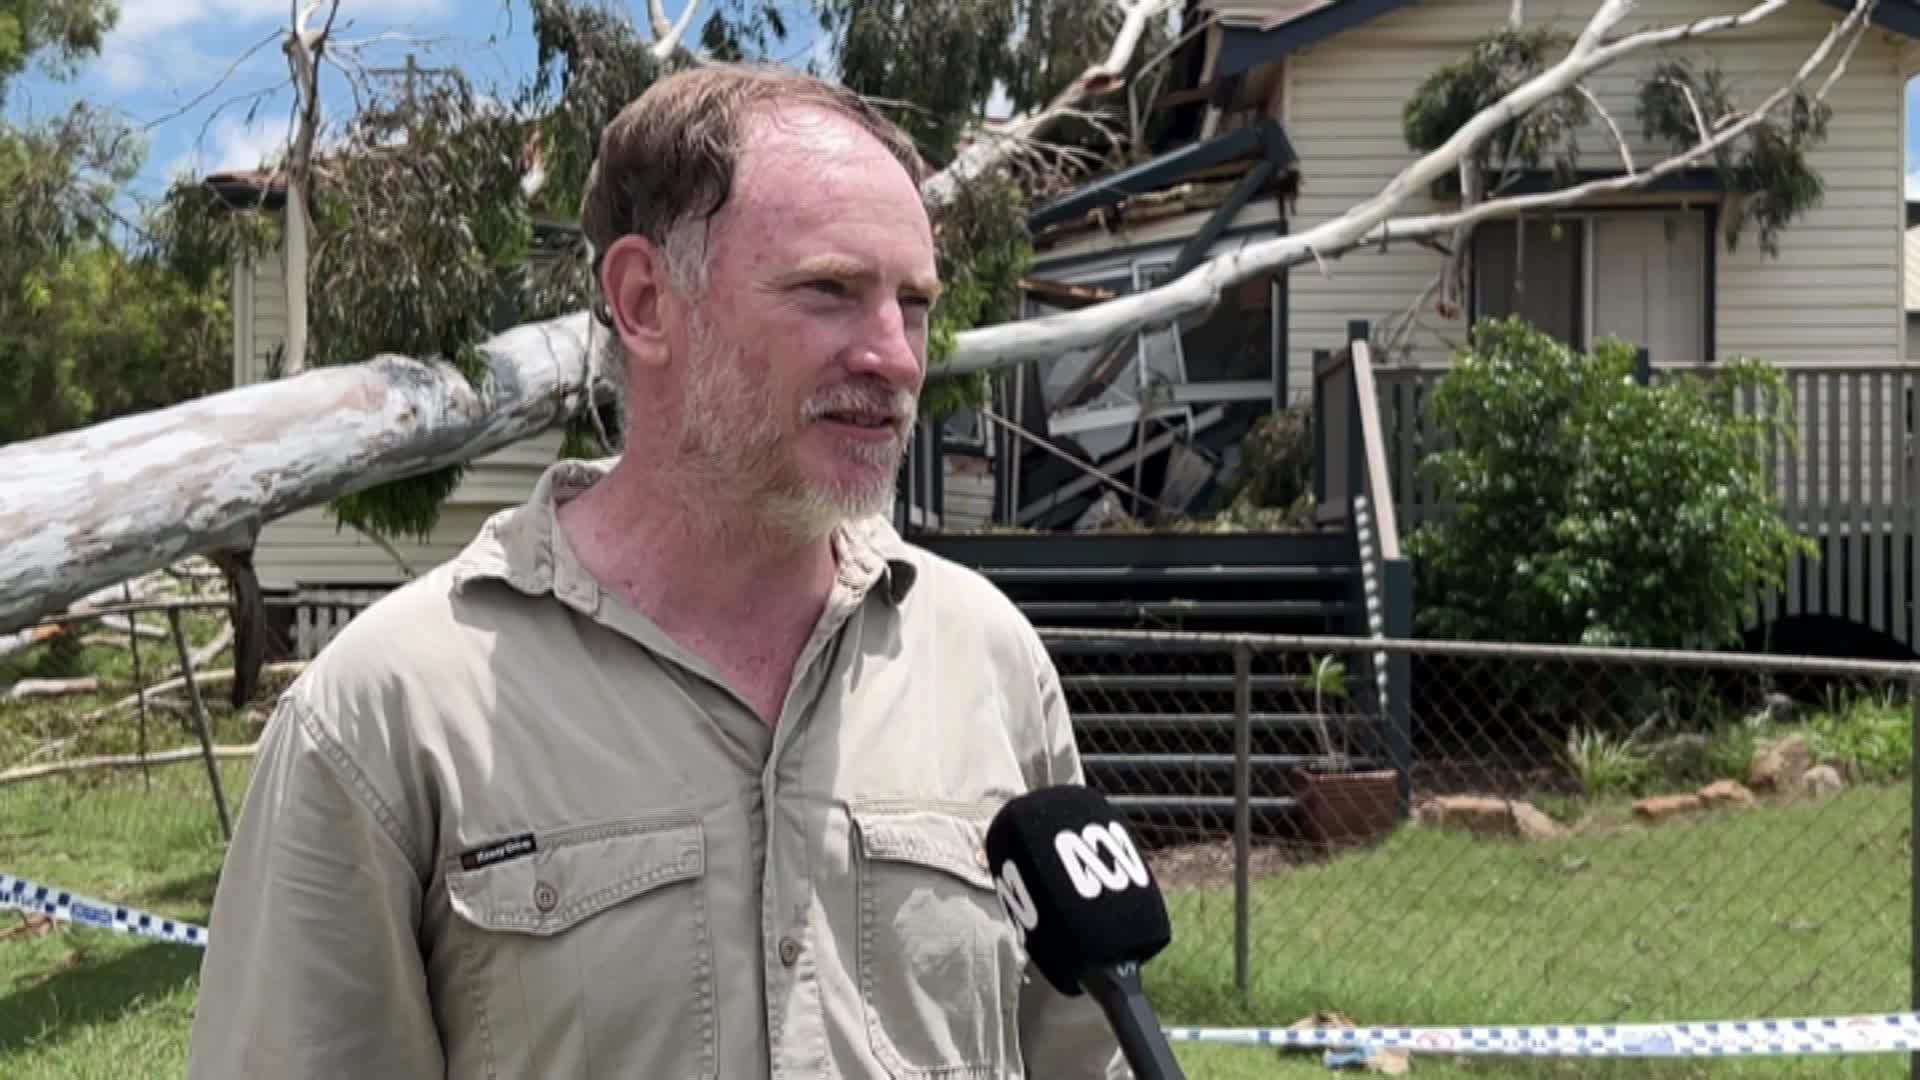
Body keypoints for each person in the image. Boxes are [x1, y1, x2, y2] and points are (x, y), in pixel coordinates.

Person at [185, 62, 1132, 1079]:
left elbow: (1085, 1054)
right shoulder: (391, 709)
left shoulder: (986, 660)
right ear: (644, 302)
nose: (896, 356)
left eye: (914, 301)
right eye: (831, 292)